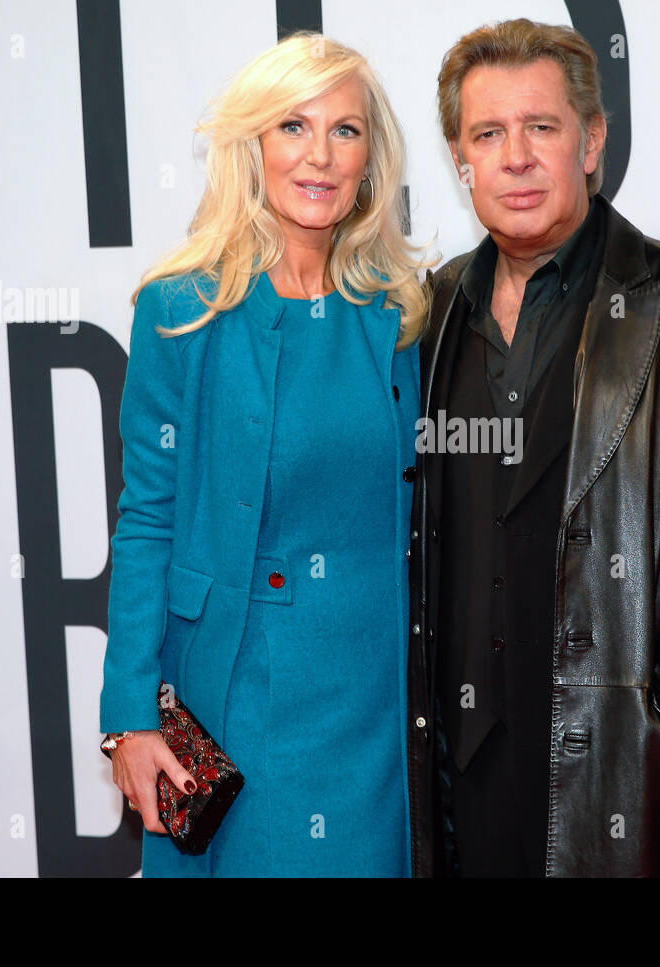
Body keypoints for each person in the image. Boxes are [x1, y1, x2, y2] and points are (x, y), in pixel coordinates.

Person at [405, 19, 660, 876]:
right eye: (489, 133)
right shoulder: (425, 316)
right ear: (459, 158)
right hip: (457, 793)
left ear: (591, 141)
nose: (515, 156)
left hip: (622, 792)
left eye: (541, 127)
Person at [99, 32, 430, 876]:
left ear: (371, 159)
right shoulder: (182, 310)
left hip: (377, 703)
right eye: (293, 125)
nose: (319, 155)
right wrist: (130, 714)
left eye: (345, 131)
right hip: (234, 691)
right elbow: (147, 520)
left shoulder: (398, 313)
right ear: (253, 145)